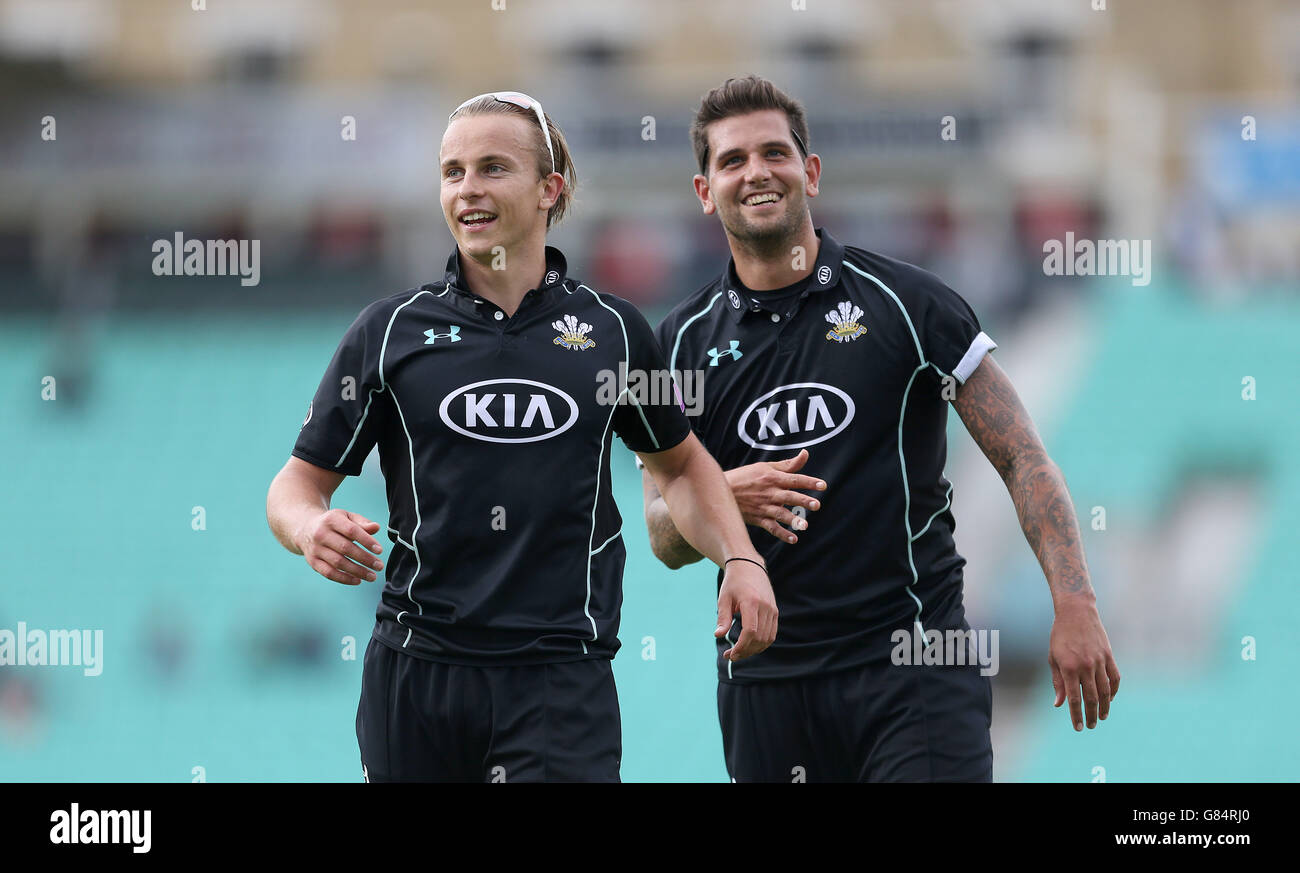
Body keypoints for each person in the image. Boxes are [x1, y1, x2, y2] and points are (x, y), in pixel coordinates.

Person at [266, 91, 776, 782]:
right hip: (417, 676)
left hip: (560, 680)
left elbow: (681, 465)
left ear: (549, 189)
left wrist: (741, 560)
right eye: (452, 172)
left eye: (492, 168)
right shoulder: (388, 333)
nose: (467, 189)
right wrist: (308, 527)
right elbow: (297, 483)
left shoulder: (615, 333)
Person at [642, 75, 1120, 782]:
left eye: (774, 152)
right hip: (767, 683)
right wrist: (719, 496)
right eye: (732, 160)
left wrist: (1075, 600)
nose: (756, 172)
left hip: (915, 672)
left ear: (809, 172)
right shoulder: (677, 345)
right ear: (705, 191)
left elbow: (1022, 458)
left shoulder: (910, 304)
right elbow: (661, 533)